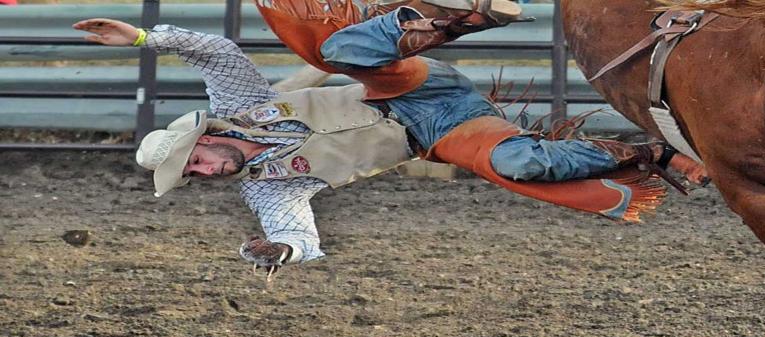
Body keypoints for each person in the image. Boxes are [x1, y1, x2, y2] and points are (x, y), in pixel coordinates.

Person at [74, 0, 705, 280]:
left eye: (195, 163)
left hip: (404, 85)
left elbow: (213, 48)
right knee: (516, 161)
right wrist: (284, 253)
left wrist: (140, 39)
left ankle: (462, 15)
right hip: (441, 130)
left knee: (342, 48)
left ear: (202, 138)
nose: (203, 174)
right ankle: (652, 152)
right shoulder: (273, 186)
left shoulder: (235, 105)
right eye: (191, 177)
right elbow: (301, 237)